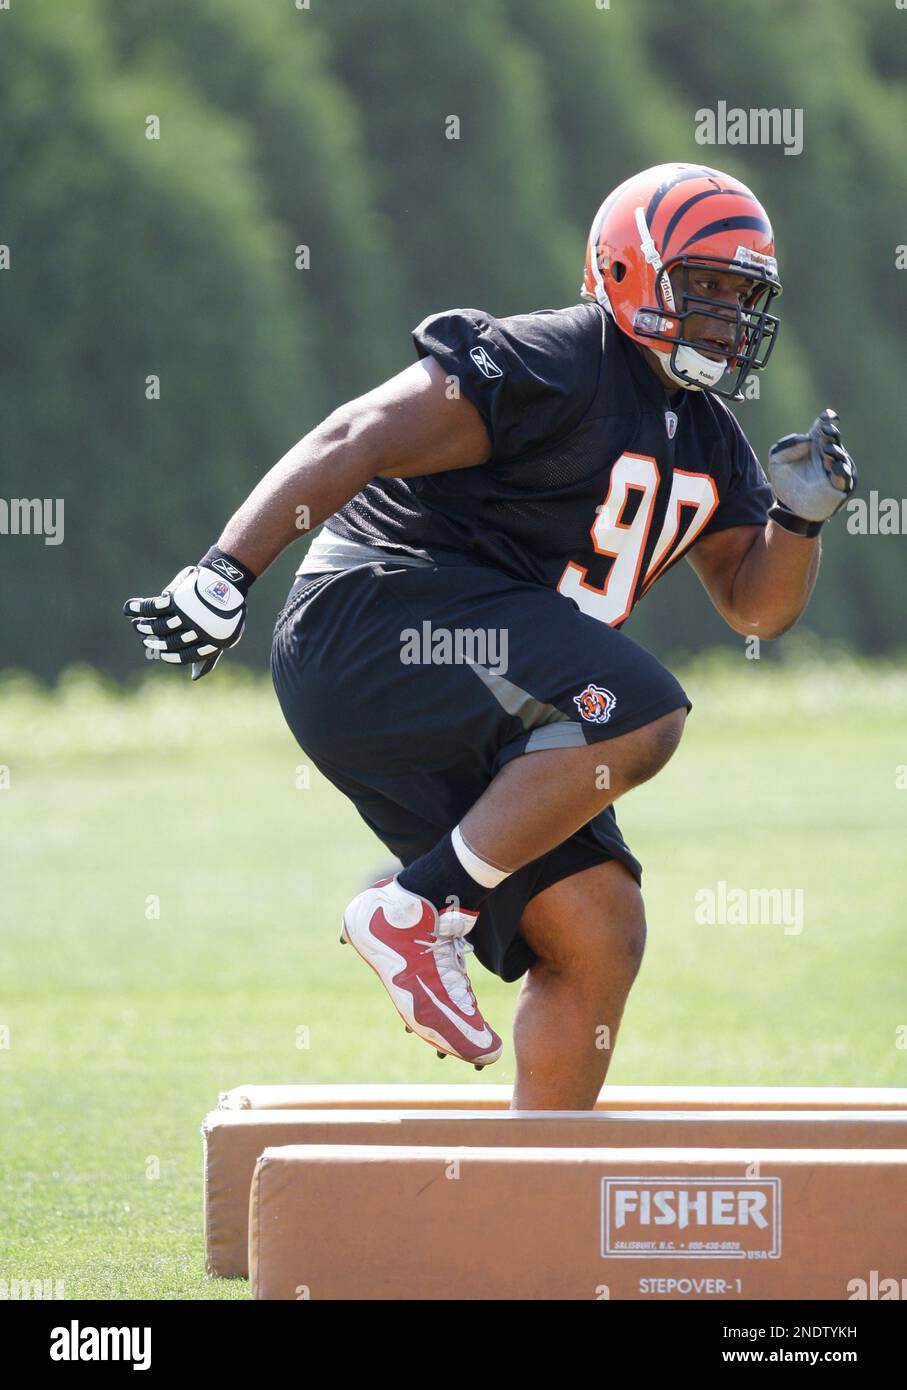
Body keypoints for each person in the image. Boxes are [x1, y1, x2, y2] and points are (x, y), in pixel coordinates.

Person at [123, 163, 856, 1109]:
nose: (723, 315)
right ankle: (417, 905)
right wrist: (227, 568)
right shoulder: (559, 357)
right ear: (631, 271)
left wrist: (799, 519)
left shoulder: (709, 437)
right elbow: (360, 432)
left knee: (597, 932)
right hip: (374, 625)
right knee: (643, 712)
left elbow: (755, 607)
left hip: (499, 696)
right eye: (703, 285)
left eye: (740, 294)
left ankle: (530, 1203)